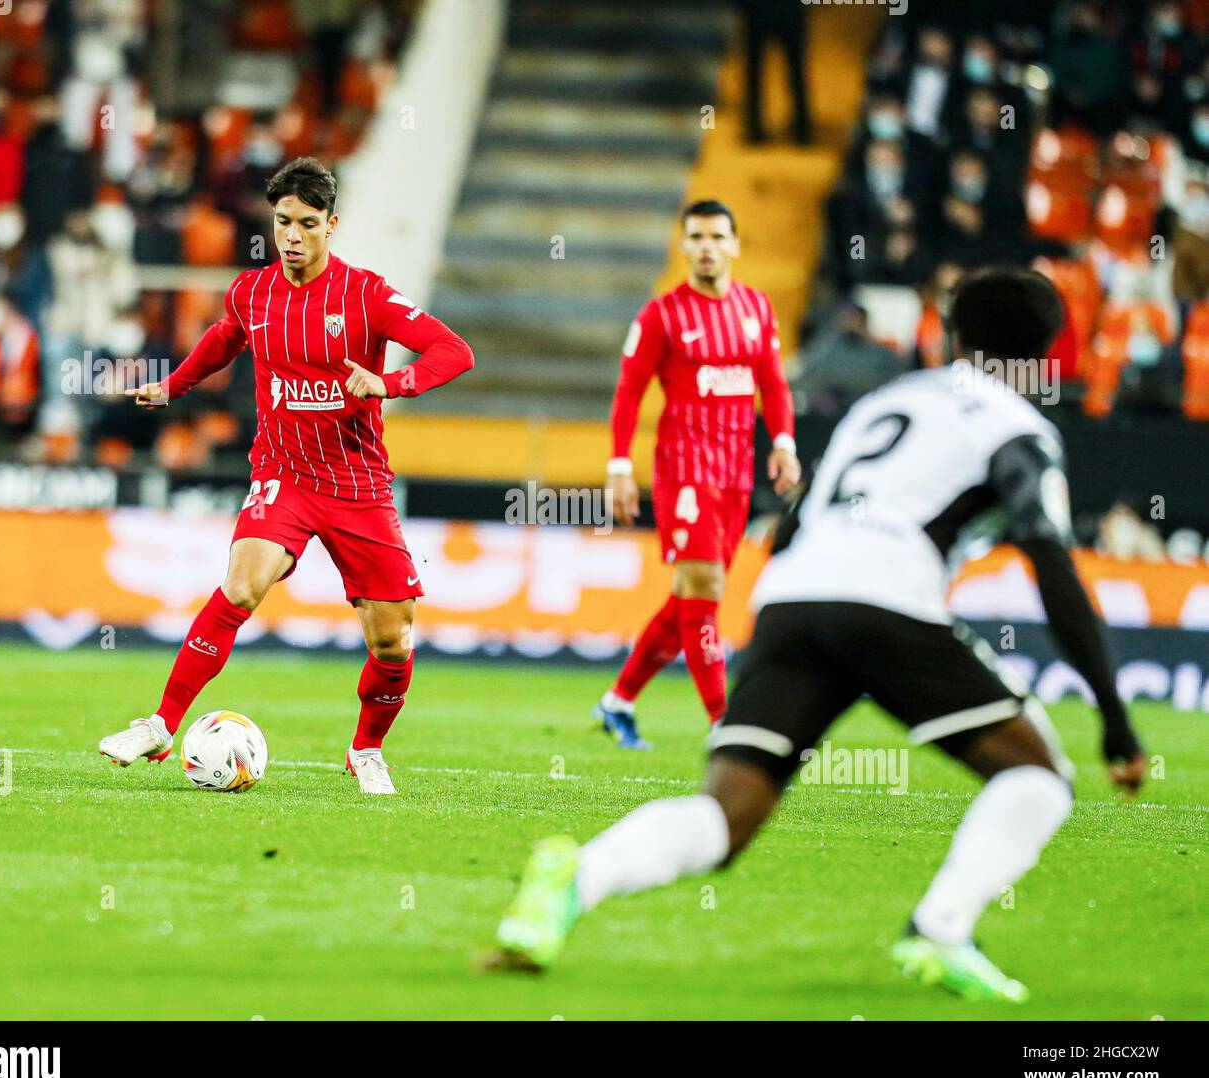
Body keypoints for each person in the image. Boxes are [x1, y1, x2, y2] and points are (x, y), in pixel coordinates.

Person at [491, 267, 1147, 1001]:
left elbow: (795, 521)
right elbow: (1051, 563)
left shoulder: (884, 401)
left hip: (792, 601)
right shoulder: (1018, 427)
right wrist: (1116, 722)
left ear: (953, 334)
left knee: (726, 814)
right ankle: (940, 930)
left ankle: (580, 875)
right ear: (1053, 351)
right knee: (1037, 775)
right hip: (888, 600)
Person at [98, 157, 474, 794]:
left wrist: (390, 382)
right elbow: (226, 337)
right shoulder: (252, 292)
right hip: (284, 474)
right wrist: (174, 385)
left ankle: (366, 750)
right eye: (281, 222)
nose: (292, 235)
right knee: (241, 587)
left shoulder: (369, 295)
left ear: (332, 224)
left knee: (394, 642)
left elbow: (454, 351)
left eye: (305, 222)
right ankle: (161, 724)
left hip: (358, 483)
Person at [595, 199, 797, 749]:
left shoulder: (756, 307)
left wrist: (783, 442)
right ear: (683, 245)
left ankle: (618, 701)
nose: (706, 247)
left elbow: (774, 384)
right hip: (684, 473)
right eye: (696, 237)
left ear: (734, 245)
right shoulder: (661, 316)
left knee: (691, 596)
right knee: (705, 590)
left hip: (736, 473)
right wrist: (618, 467)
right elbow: (629, 393)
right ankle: (723, 722)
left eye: (716, 237)